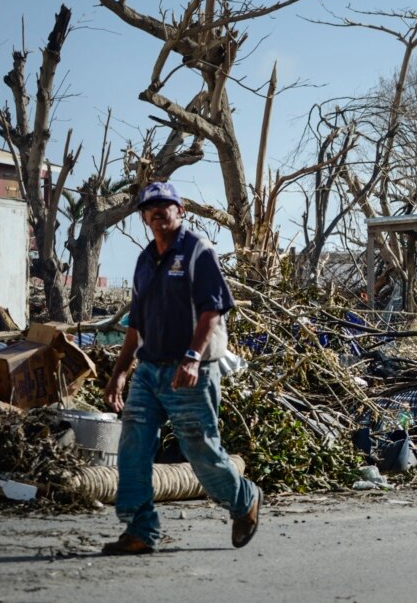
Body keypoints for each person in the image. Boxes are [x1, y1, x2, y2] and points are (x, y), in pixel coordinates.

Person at [101, 181, 261, 555]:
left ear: (181, 210)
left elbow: (212, 309)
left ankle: (244, 499)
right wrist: (119, 374)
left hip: (191, 371)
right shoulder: (143, 261)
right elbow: (135, 325)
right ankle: (141, 530)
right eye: (151, 207)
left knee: (201, 452)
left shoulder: (197, 252)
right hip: (149, 371)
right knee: (132, 450)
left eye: (166, 205)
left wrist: (191, 358)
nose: (158, 211)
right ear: (143, 216)